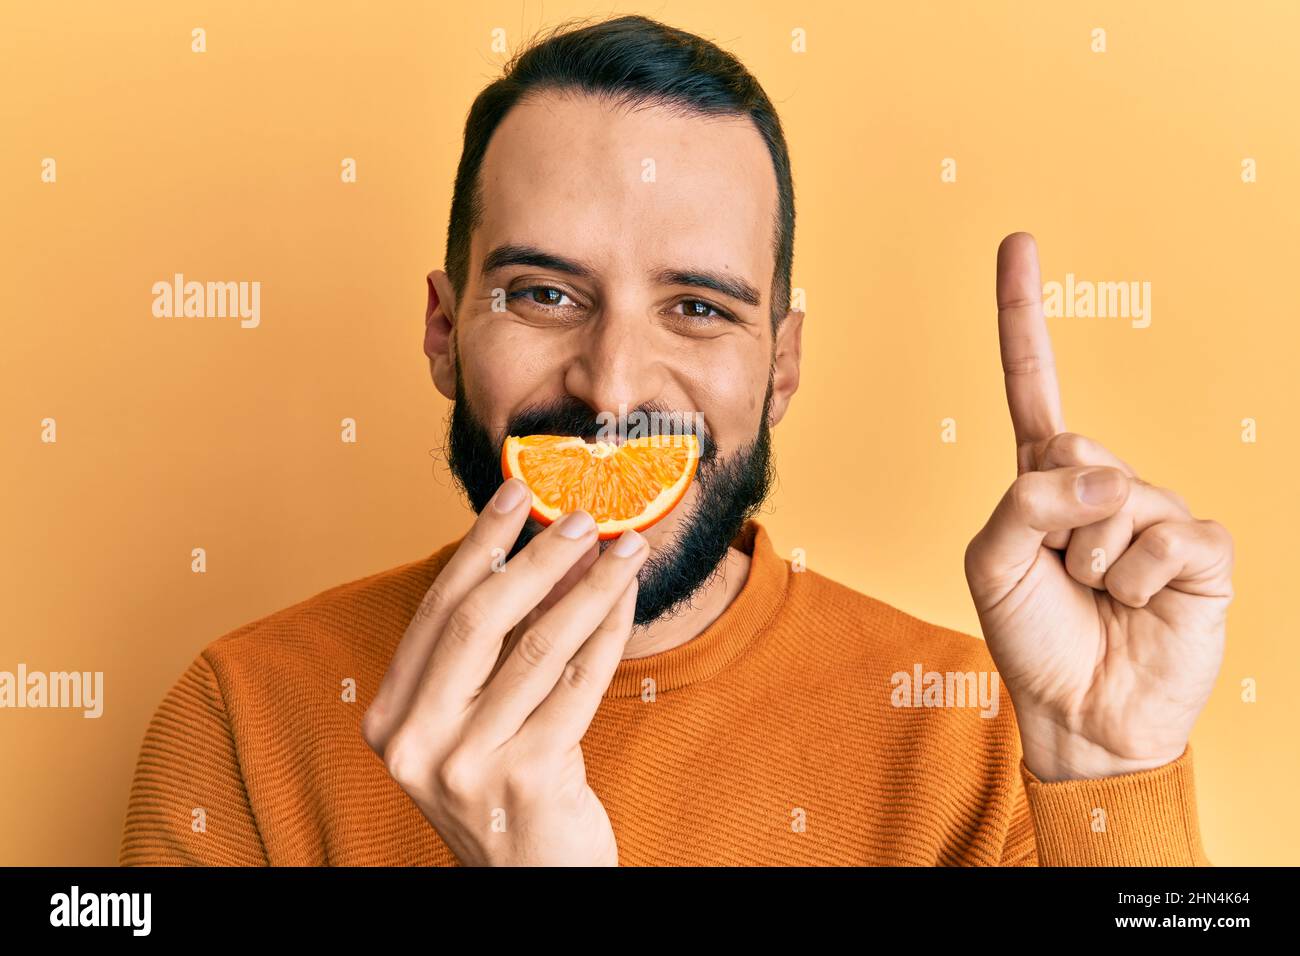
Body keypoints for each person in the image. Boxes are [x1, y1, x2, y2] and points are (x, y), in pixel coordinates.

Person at [120, 14, 1232, 866]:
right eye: (544, 292)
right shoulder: (245, 722)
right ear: (442, 329)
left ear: (780, 364)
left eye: (698, 308)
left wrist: (1109, 774)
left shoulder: (974, 736)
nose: (610, 391)